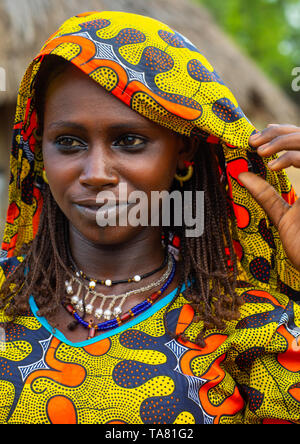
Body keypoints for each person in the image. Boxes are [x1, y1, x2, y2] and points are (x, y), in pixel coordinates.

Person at [0, 10, 299, 425]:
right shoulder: (6, 295)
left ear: (183, 151)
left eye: (129, 141)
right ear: (39, 148)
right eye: (68, 142)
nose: (96, 174)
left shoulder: (246, 323)